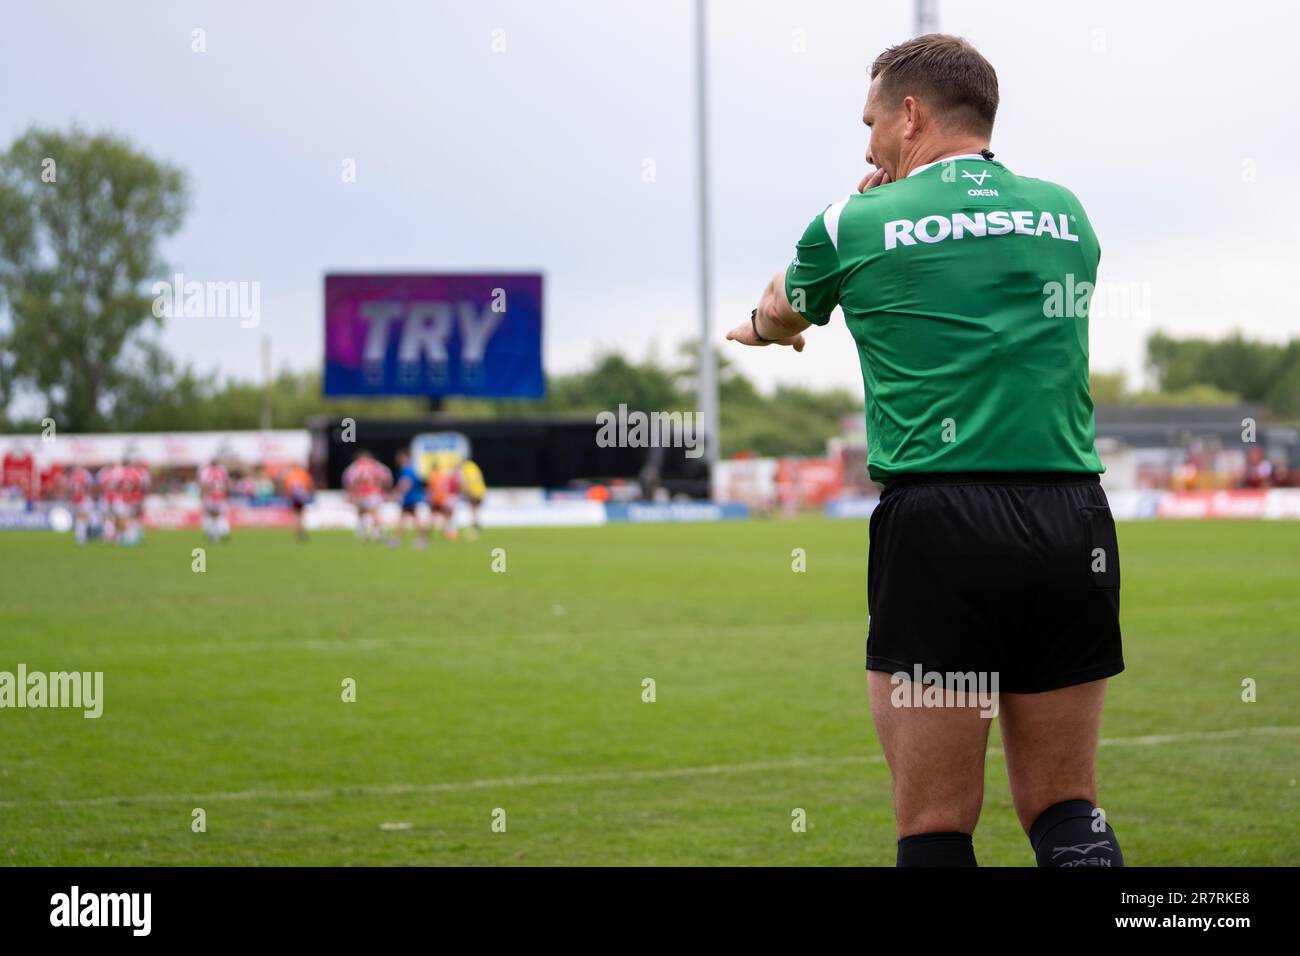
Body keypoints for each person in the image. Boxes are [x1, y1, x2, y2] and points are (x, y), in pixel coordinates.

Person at [726, 34, 1124, 868]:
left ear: (911, 115)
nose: (866, 142)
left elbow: (781, 308)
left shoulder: (854, 219)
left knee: (936, 819)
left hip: (940, 525)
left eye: (871, 121)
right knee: (1066, 805)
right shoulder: (1067, 213)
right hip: (1070, 521)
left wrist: (764, 332)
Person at [342, 449, 391, 542]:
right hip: (374, 492)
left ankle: (362, 532)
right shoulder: (377, 465)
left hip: (360, 493)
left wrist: (351, 493)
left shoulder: (354, 466)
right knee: (374, 513)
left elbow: (349, 481)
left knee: (361, 512)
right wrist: (384, 490)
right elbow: (386, 478)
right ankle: (378, 532)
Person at [390, 450, 428, 547]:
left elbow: (406, 483)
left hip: (411, 497)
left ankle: (419, 538)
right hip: (412, 497)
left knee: (410, 518)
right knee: (405, 518)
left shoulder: (407, 469)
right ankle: (398, 538)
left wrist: (397, 493)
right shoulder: (412, 468)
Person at [198, 459, 232, 543]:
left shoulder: (206, 472)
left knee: (211, 517)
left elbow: (204, 485)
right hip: (221, 497)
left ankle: (214, 536)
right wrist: (227, 494)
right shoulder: (222, 471)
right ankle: (224, 531)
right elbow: (227, 483)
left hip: (211, 497)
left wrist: (202, 495)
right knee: (220, 516)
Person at [281, 463, 314, 541]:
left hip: (294, 497)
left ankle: (297, 532)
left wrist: (287, 496)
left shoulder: (290, 475)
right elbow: (309, 485)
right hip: (301, 497)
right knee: (300, 515)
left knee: (296, 515)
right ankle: (300, 531)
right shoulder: (303, 474)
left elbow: (287, 487)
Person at [458, 458, 486, 539]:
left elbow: (466, 481)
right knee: (475, 510)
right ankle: (475, 526)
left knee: (472, 509)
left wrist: (465, 491)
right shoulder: (474, 466)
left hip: (473, 491)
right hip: (480, 490)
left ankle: (474, 528)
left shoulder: (466, 468)